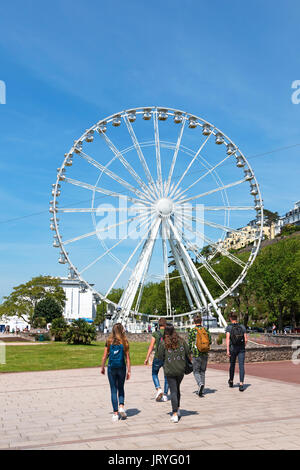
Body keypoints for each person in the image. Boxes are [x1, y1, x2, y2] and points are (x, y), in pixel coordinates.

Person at [157, 325, 191, 423]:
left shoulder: (164, 344)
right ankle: (178, 408)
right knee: (177, 389)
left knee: (173, 391)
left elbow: (159, 356)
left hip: (170, 370)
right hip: (180, 369)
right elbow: (188, 351)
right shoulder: (181, 341)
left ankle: (175, 413)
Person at [100, 323, 131, 422]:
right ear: (122, 330)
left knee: (113, 389)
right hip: (121, 367)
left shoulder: (109, 341)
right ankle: (121, 406)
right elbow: (127, 358)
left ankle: (115, 414)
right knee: (121, 387)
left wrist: (102, 367)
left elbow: (104, 356)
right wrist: (129, 370)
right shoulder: (125, 341)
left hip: (112, 368)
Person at [144, 317, 169, 402]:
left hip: (158, 357)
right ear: (165, 324)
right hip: (167, 357)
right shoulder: (169, 333)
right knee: (167, 376)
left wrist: (147, 358)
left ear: (159, 324)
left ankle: (159, 389)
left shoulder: (155, 333)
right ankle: (165, 395)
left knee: (154, 373)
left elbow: (151, 346)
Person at [188, 315, 212, 397]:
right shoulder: (206, 330)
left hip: (196, 353)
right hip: (205, 353)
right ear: (201, 321)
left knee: (196, 371)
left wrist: (188, 353)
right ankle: (202, 389)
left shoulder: (192, 331)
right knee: (202, 371)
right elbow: (210, 341)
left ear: (194, 322)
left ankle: (200, 383)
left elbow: (189, 343)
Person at [226, 313, 248, 392]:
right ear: (236, 318)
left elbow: (228, 339)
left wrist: (228, 350)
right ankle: (241, 384)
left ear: (230, 318)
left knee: (232, 365)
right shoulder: (242, 327)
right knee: (241, 366)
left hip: (233, 348)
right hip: (241, 348)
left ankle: (231, 381)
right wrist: (243, 346)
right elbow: (246, 339)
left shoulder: (229, 327)